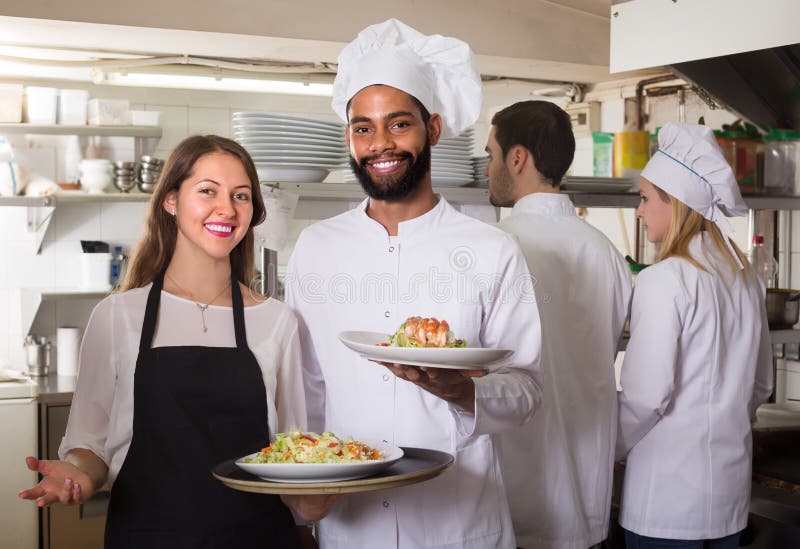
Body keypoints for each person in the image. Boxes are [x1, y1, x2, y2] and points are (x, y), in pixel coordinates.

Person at [284, 18, 543, 549]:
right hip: (353, 528)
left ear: (435, 129)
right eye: (363, 127)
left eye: (399, 124)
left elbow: (528, 388)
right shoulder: (317, 246)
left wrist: (464, 391)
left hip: (459, 524)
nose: (381, 143)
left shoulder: (493, 249)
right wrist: (302, 505)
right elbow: (306, 391)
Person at [18, 135, 324, 547]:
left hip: (258, 538)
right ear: (171, 201)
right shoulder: (118, 317)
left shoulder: (277, 322)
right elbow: (90, 446)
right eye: (207, 191)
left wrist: (317, 501)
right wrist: (79, 476)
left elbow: (292, 454)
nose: (227, 209)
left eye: (241, 196)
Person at [616, 123, 774, 549]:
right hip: (727, 501)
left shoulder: (664, 280)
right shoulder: (746, 280)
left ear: (677, 203)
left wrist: (606, 445)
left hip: (665, 503)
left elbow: (646, 397)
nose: (639, 211)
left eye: (646, 198)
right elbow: (761, 385)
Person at [484, 100, 632, 549]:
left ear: (517, 158)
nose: (487, 169)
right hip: (586, 499)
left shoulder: (497, 247)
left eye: (490, 155)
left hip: (515, 500)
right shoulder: (606, 251)